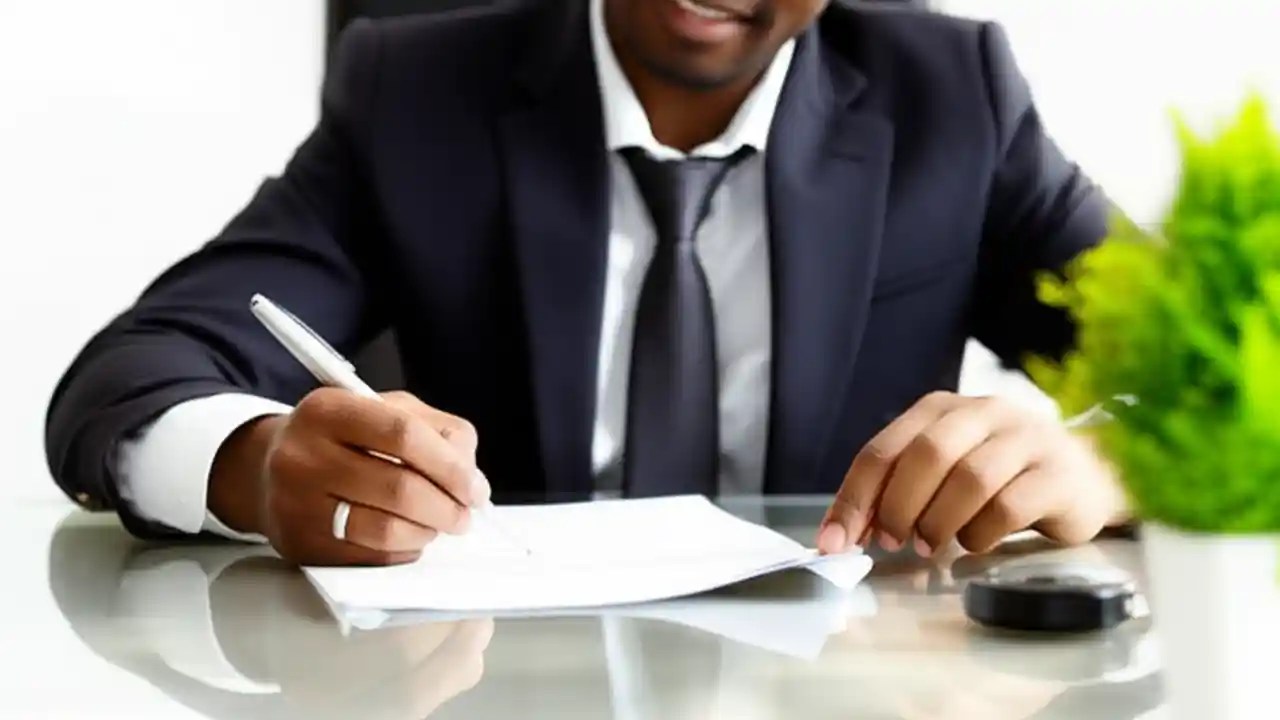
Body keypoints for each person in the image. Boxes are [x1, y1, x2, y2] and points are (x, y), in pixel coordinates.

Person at [44, 0, 1131, 567]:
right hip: (489, 685)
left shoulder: (954, 99)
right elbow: (128, 381)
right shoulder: (412, 95)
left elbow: (1235, 371)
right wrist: (260, 463)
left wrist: (1105, 458)